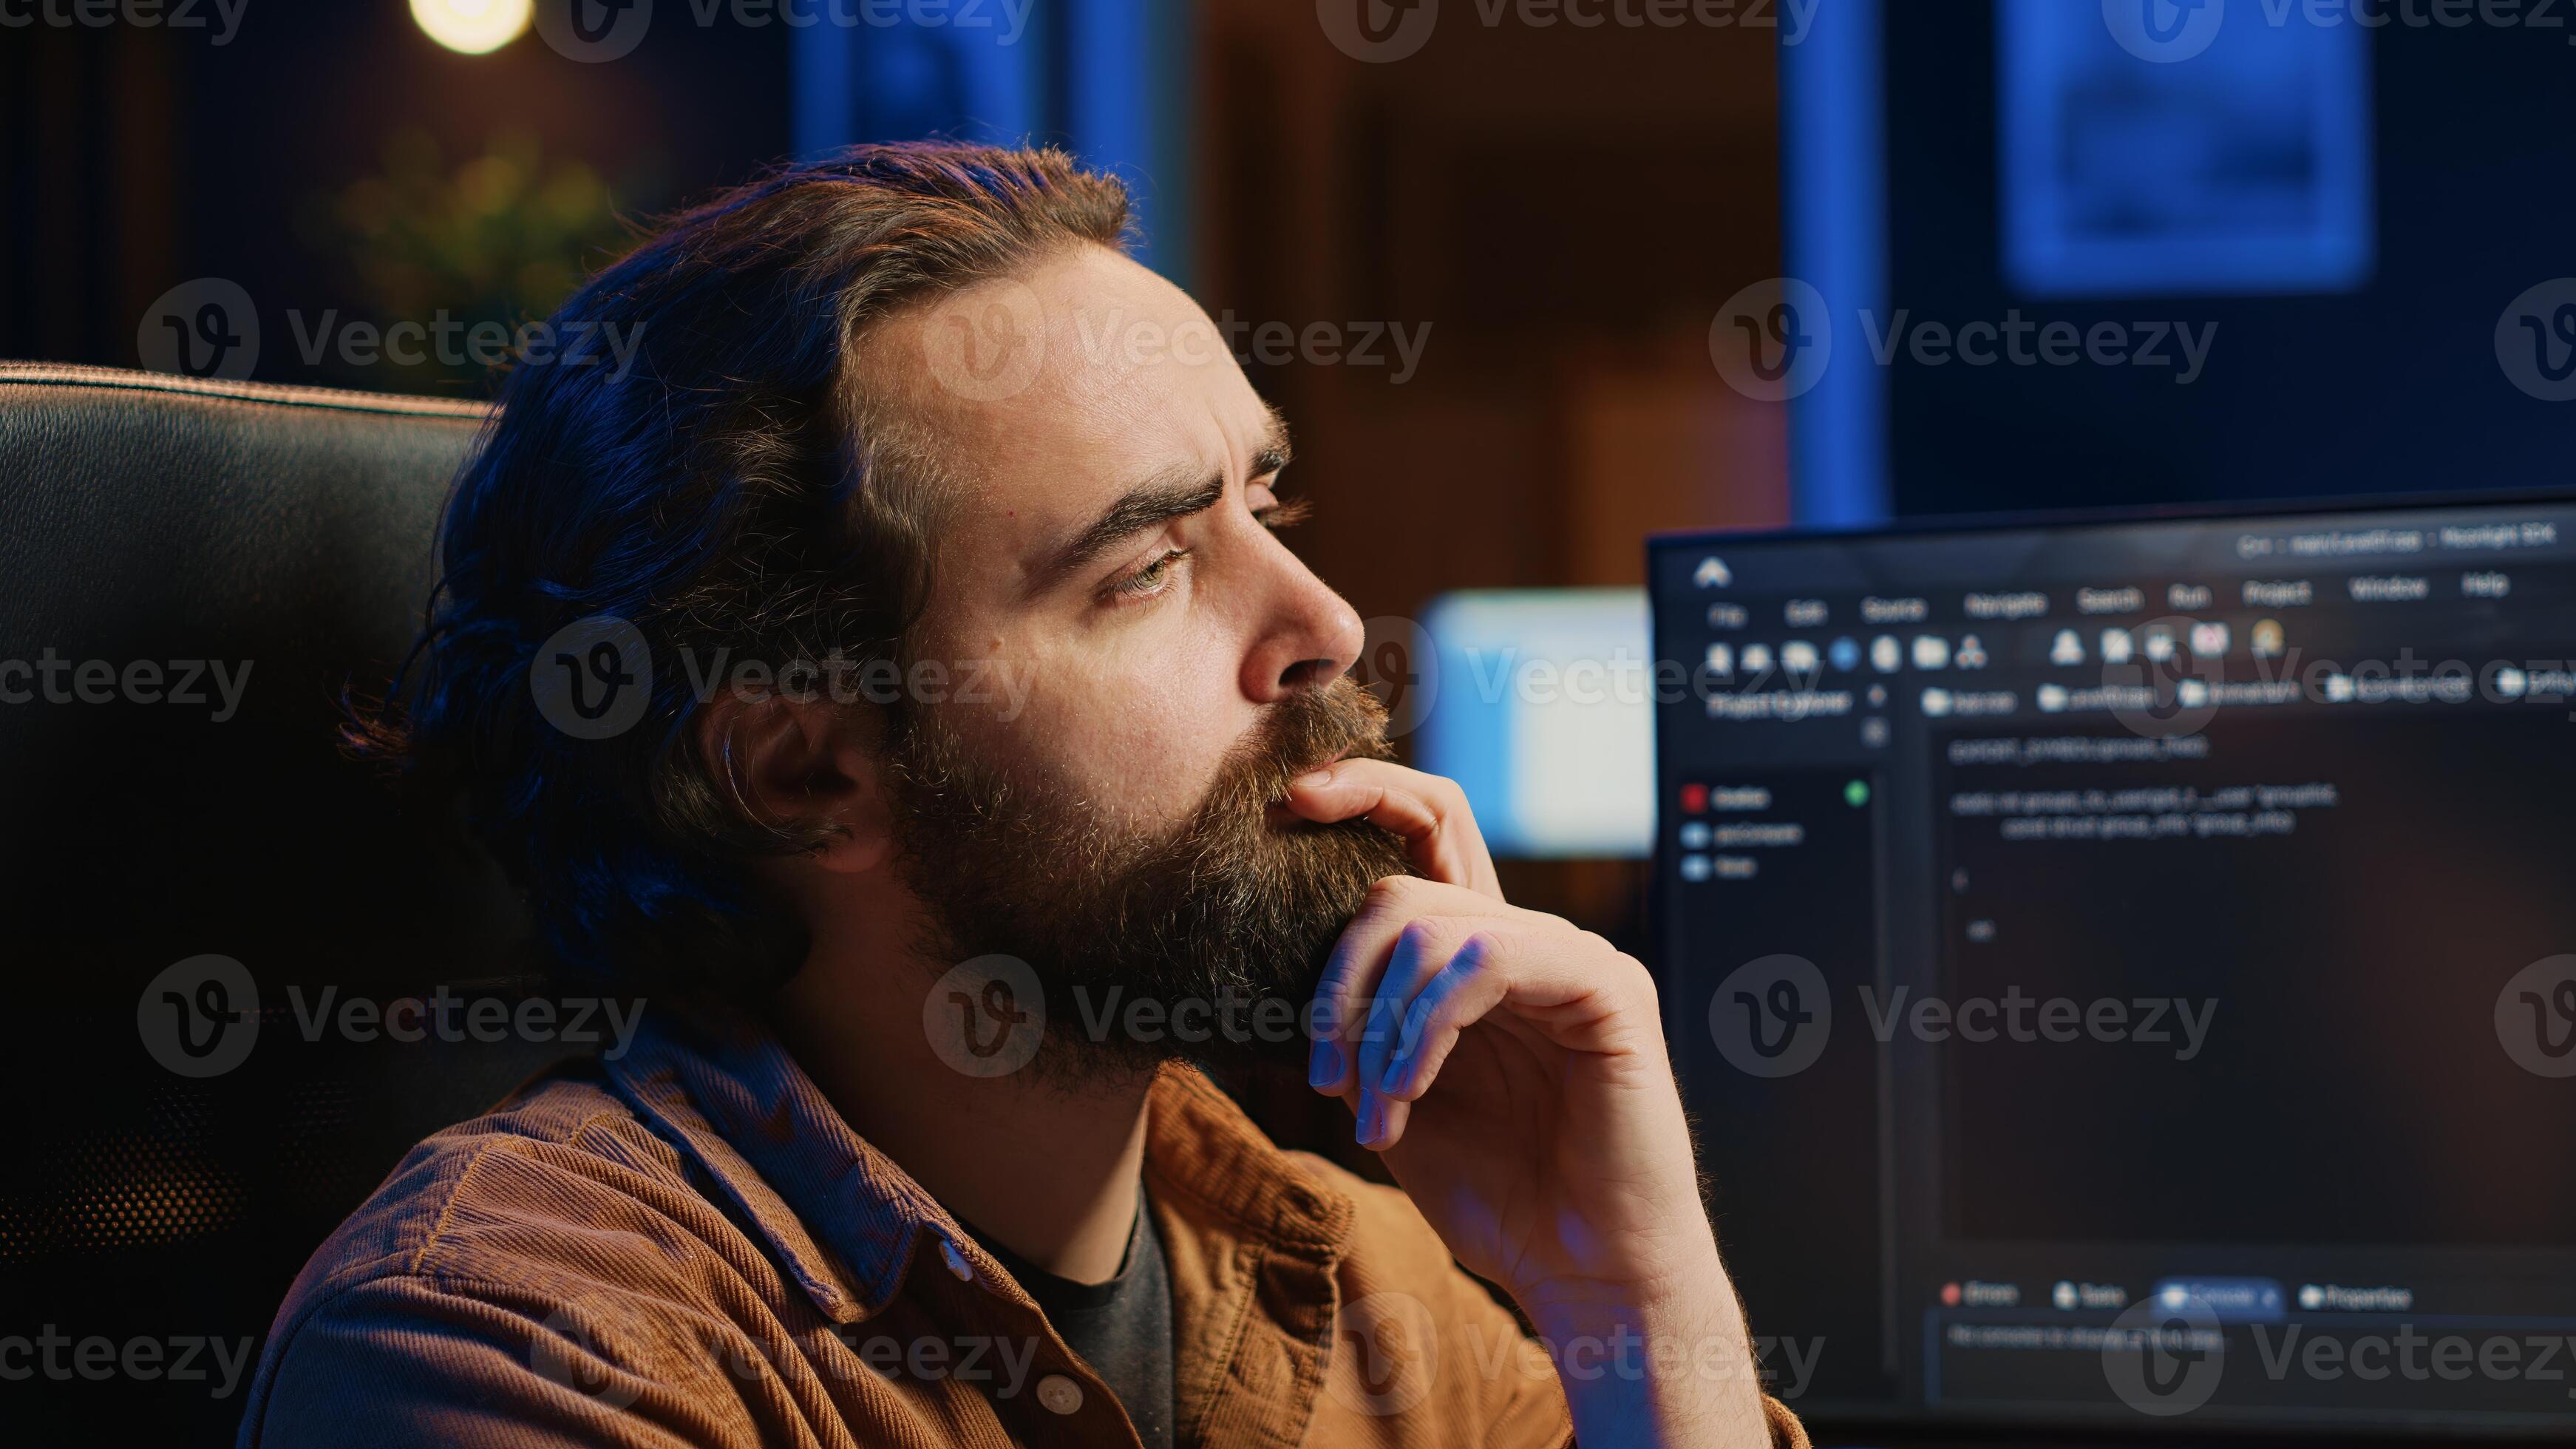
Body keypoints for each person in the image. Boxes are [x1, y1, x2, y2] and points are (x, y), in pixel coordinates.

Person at [237, 142, 1808, 1449]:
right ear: (805, 769)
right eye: (1143, 570)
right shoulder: (515, 1346)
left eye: (1267, 500)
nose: (1326, 619)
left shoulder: (1355, 1270)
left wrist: (1628, 1287)